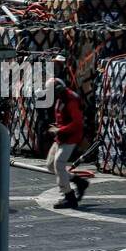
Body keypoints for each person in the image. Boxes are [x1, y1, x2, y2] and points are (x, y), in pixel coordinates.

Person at [43, 77, 88, 209]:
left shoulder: (70, 100)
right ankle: (79, 181)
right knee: (50, 165)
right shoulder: (61, 98)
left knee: (59, 164)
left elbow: (77, 123)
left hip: (70, 137)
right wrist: (56, 127)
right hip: (62, 136)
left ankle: (69, 197)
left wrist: (59, 129)